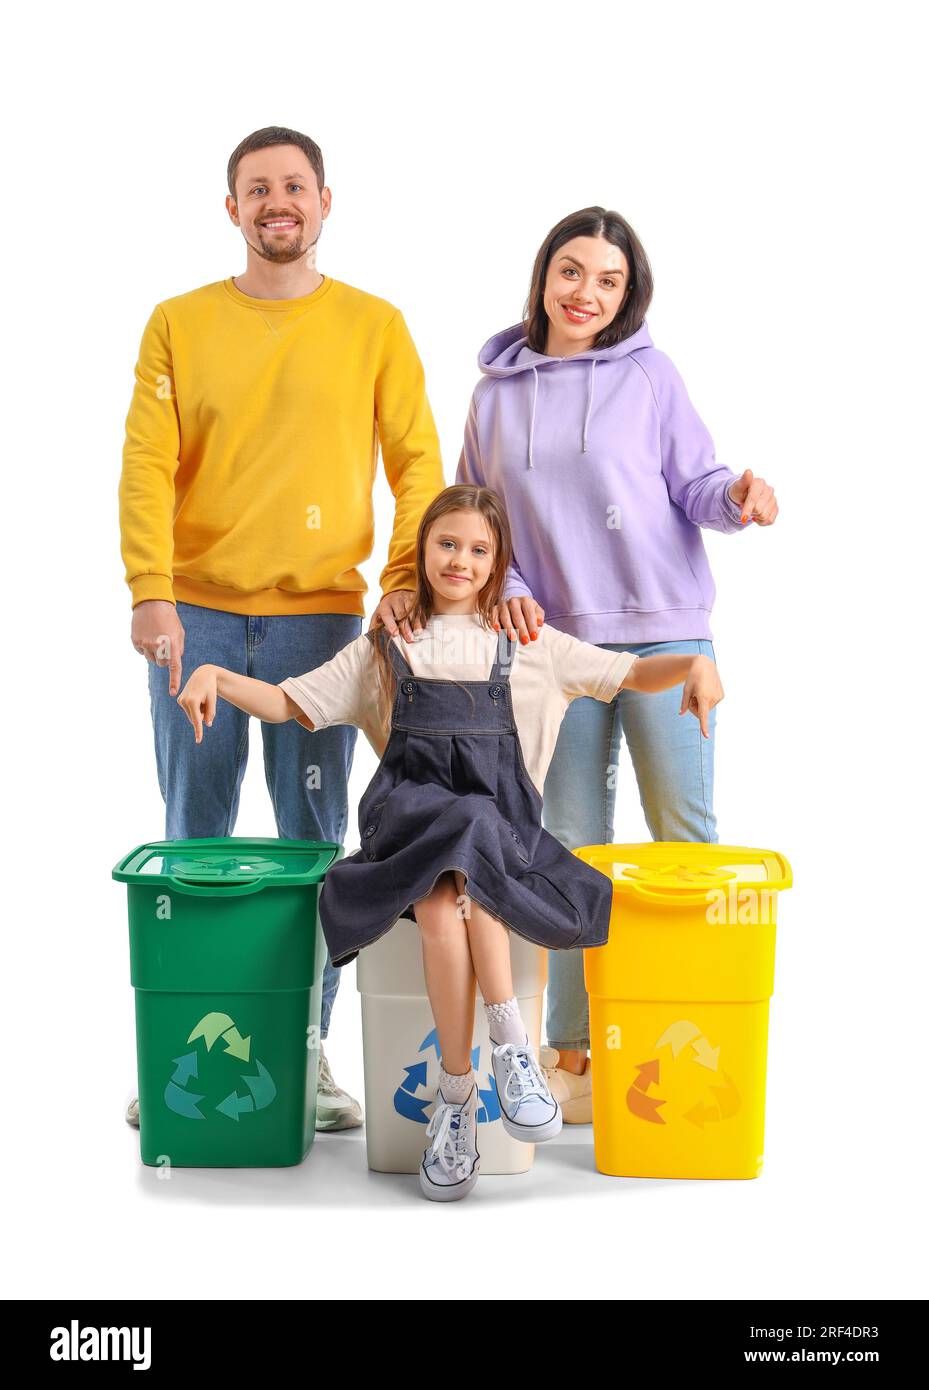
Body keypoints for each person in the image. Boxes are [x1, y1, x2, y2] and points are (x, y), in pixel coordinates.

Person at [174, 484, 725, 1200]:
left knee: (447, 900)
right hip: (406, 839)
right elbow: (287, 703)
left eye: (478, 549)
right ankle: (512, 1047)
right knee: (462, 838)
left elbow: (627, 674)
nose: (460, 560)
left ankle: (456, 1097)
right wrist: (216, 674)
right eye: (446, 543)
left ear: (497, 563)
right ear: (422, 550)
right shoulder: (385, 647)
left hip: (497, 847)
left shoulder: (530, 644)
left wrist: (692, 665)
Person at [119, 125, 444, 1132]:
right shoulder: (177, 323)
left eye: (294, 185)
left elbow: (418, 462)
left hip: (321, 625)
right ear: (232, 209)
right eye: (257, 188)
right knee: (194, 839)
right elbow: (146, 463)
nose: (278, 202)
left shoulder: (374, 325)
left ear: (324, 201)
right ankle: (187, 1048)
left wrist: (403, 581)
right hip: (198, 622)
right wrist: (150, 589)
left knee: (314, 843)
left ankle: (307, 1055)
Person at [456, 206, 778, 1121]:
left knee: (683, 835)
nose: (586, 294)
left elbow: (694, 483)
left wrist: (737, 496)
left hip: (666, 636)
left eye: (608, 280)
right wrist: (511, 584)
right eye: (571, 271)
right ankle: (573, 1053)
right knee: (568, 846)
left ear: (628, 294)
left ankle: (690, 1023)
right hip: (556, 650)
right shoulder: (492, 395)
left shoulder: (648, 375)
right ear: (542, 276)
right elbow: (480, 518)